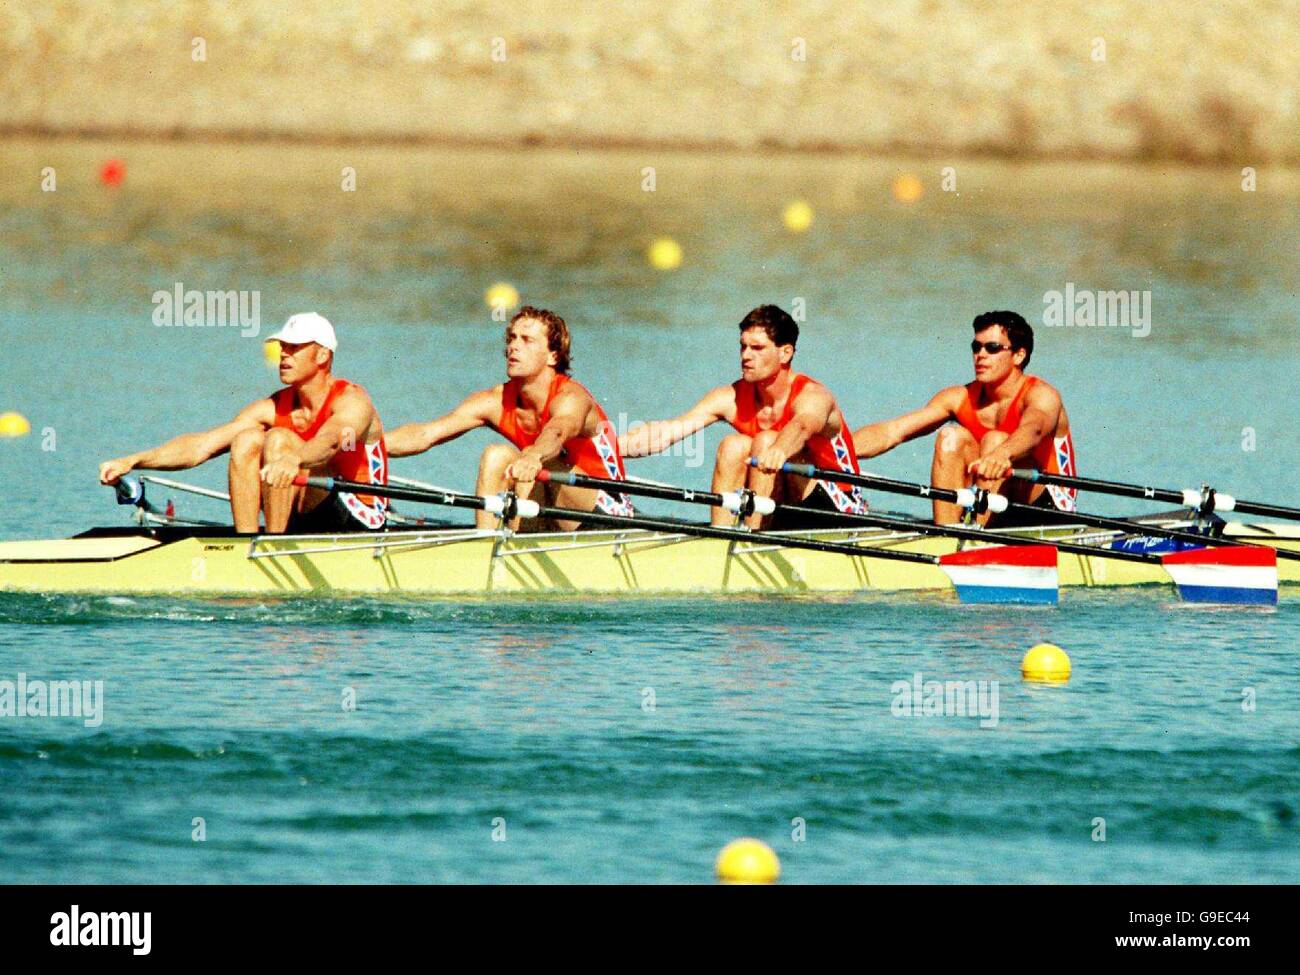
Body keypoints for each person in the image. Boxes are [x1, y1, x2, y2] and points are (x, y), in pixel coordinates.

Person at [98, 313, 389, 533]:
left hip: (360, 513)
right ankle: (247, 543)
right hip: (301, 508)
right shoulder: (271, 408)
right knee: (246, 439)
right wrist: (134, 460)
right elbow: (201, 447)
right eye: (282, 346)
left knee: (279, 439)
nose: (283, 354)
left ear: (323, 354)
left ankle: (273, 546)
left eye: (295, 347)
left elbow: (332, 442)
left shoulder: (352, 402)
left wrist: (294, 458)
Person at [384, 306, 634, 531]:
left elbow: (557, 432)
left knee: (538, 461)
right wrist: (372, 447)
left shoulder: (571, 397)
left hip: (609, 511)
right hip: (550, 503)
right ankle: (488, 544)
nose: (514, 346)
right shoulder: (495, 400)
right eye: (512, 338)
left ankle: (515, 541)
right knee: (496, 456)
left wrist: (534, 456)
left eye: (527, 340)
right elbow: (426, 434)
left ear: (553, 356)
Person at [619, 305, 866, 528]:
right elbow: (666, 432)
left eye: (757, 348)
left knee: (766, 441)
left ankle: (753, 535)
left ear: (785, 353)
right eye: (743, 346)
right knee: (733, 446)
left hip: (840, 505)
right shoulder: (731, 397)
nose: (746, 356)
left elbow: (802, 425)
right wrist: (608, 449)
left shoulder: (813, 395)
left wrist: (778, 450)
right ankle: (725, 535)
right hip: (782, 505)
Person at [852, 310, 1076, 525]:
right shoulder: (959, 397)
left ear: (1019, 355)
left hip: (1047, 507)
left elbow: (1034, 430)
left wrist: (1002, 453)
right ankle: (948, 534)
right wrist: (842, 454)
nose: (981, 355)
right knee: (951, 437)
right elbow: (892, 432)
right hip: (993, 502)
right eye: (976, 347)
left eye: (992, 348)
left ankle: (977, 534)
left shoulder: (1042, 395)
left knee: (995, 440)